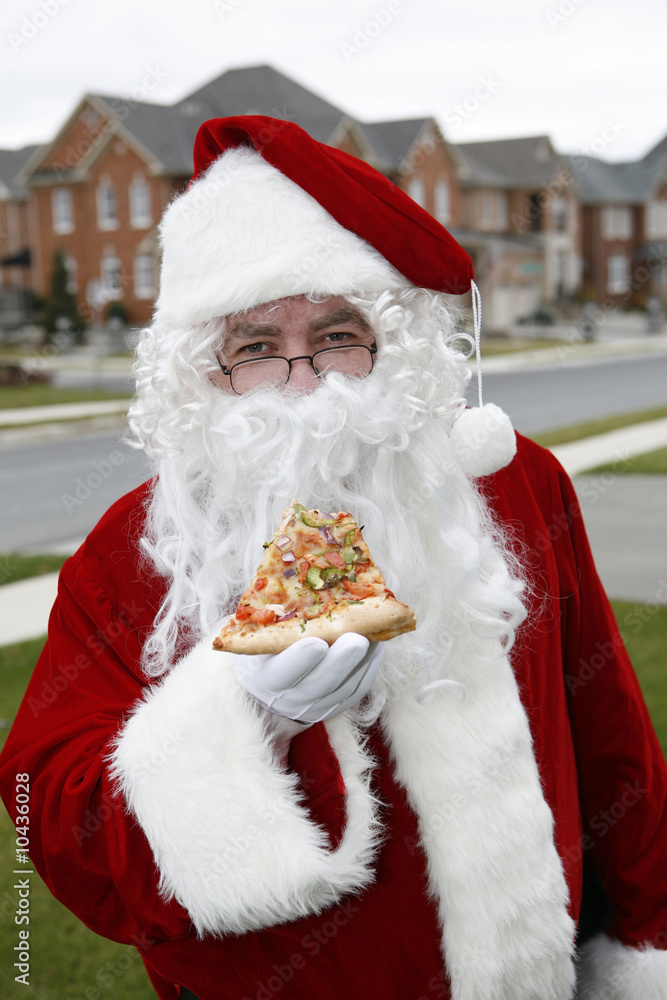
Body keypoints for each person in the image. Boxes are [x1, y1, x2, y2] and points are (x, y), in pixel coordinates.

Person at [1, 116, 666, 1000]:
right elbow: (35, 811)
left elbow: (609, 729)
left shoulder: (516, 483)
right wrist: (234, 719)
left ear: (396, 345)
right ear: (204, 372)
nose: (306, 383)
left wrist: (643, 935)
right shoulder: (134, 549)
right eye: (256, 348)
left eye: (337, 334)